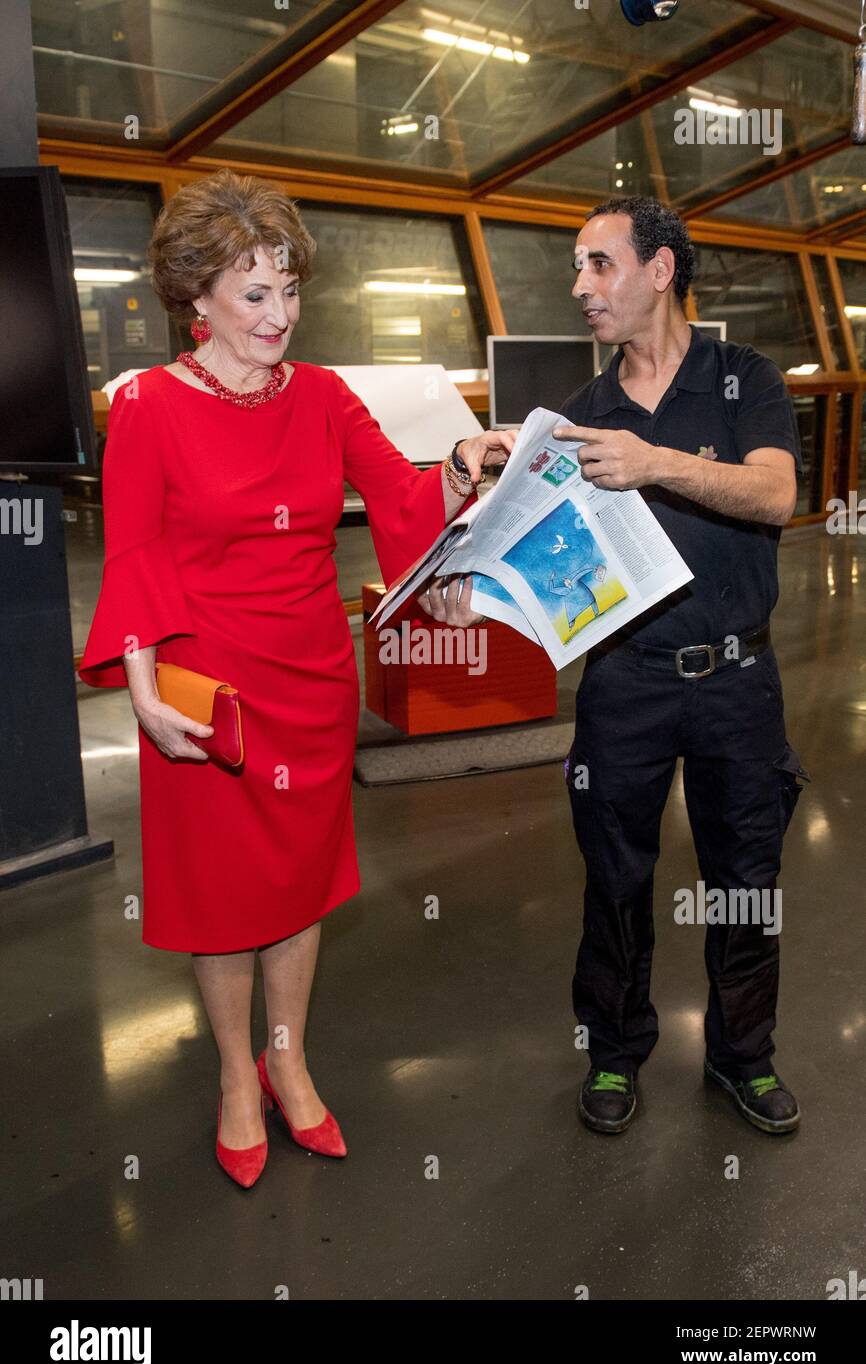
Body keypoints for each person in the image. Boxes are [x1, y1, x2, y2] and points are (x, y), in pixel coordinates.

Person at [78, 168, 515, 1187]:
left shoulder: (322, 395)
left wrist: (456, 465)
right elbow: (135, 550)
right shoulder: (144, 404)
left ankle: (290, 1059)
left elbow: (403, 497)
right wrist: (142, 692)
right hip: (206, 690)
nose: (280, 314)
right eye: (254, 292)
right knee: (223, 894)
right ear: (197, 299)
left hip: (311, 678)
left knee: (298, 888)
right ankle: (238, 1076)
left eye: (288, 289)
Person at [424, 194, 807, 1138]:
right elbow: (534, 562)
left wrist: (655, 462)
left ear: (661, 270)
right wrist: (463, 552)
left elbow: (776, 494)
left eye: (599, 264)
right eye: (576, 269)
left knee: (746, 874)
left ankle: (743, 1057)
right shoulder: (575, 418)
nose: (581, 286)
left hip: (737, 680)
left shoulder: (741, 376)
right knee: (615, 876)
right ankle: (613, 1051)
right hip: (625, 684)